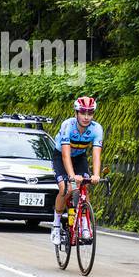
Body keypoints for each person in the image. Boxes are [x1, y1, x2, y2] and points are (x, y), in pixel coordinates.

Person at [51, 95, 103, 246]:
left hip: (80, 157)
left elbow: (96, 154)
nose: (86, 117)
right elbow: (66, 155)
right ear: (76, 113)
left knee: (84, 186)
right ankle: (55, 226)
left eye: (90, 113)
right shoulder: (68, 125)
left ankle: (84, 223)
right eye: (83, 113)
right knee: (65, 189)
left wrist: (96, 174)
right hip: (61, 157)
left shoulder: (96, 129)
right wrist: (72, 176)